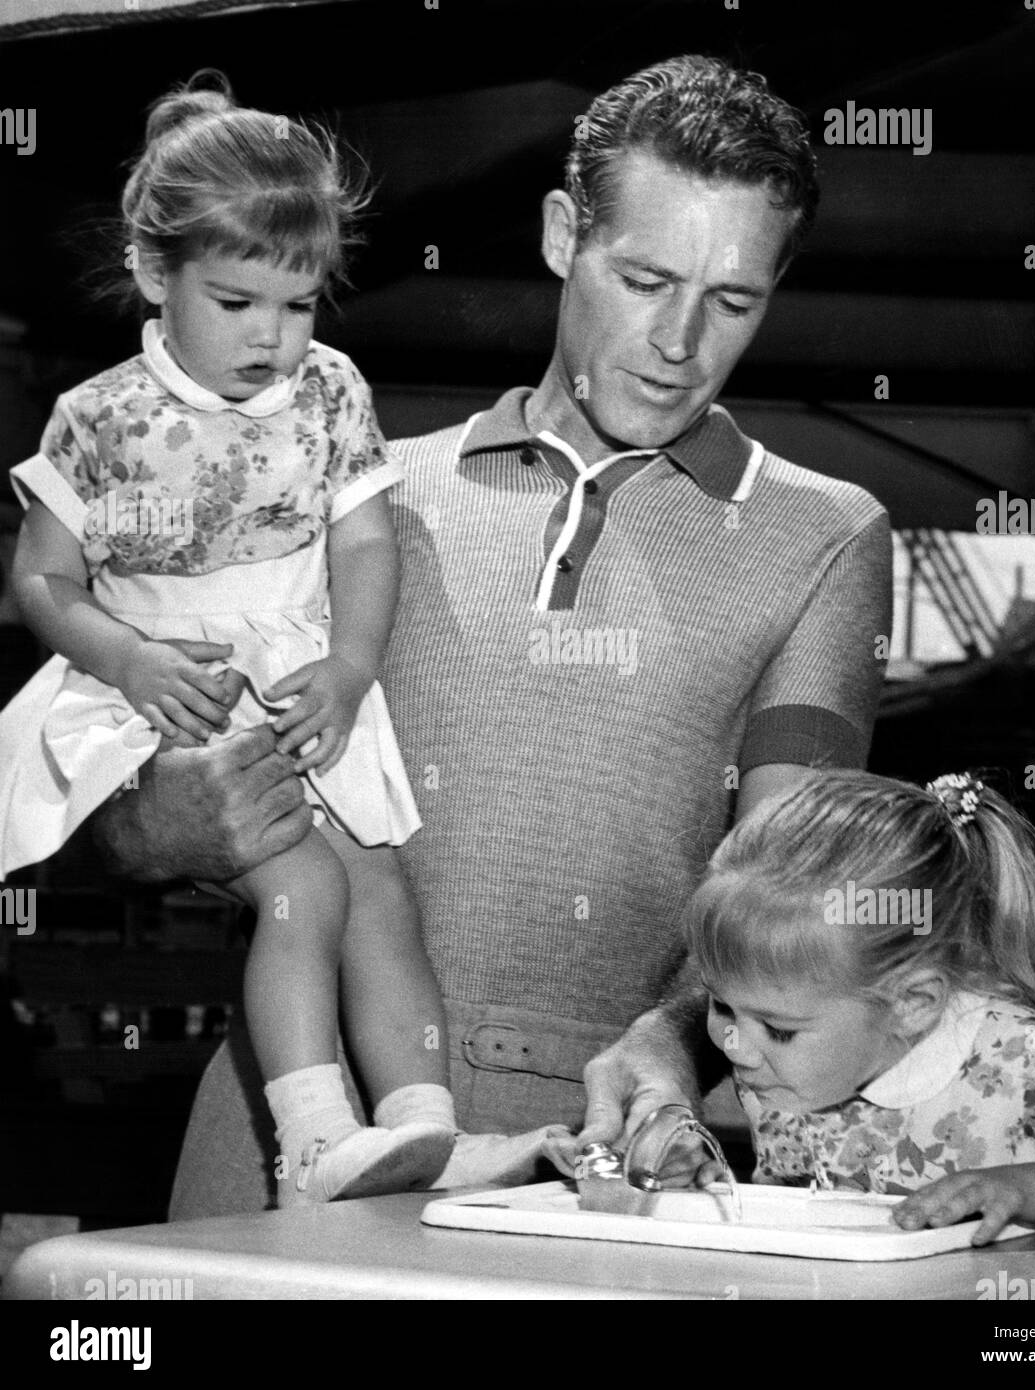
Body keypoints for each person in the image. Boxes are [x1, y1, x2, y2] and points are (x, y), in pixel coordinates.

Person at [91, 55, 894, 1217]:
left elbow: (782, 903)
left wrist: (676, 1046)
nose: (678, 340)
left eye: (732, 301)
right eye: (642, 277)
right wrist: (157, 816)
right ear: (563, 235)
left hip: (593, 1165)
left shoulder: (819, 538)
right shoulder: (359, 496)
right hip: (286, 1141)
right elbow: (105, 801)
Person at [0, 75, 461, 1204]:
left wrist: (351, 668)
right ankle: (310, 1137)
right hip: (165, 680)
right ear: (156, 276)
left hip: (295, 668)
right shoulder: (99, 416)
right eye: (237, 300)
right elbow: (43, 579)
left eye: (298, 305)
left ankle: (425, 1121)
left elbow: (362, 548)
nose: (271, 336)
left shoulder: (332, 393)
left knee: (380, 883)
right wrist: (126, 658)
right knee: (301, 883)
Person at [685, 768, 1035, 1240]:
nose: (735, 1048)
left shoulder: (1027, 1063)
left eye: (779, 1030)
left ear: (912, 1003)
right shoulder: (777, 1072)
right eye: (723, 1007)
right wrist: (697, 1187)